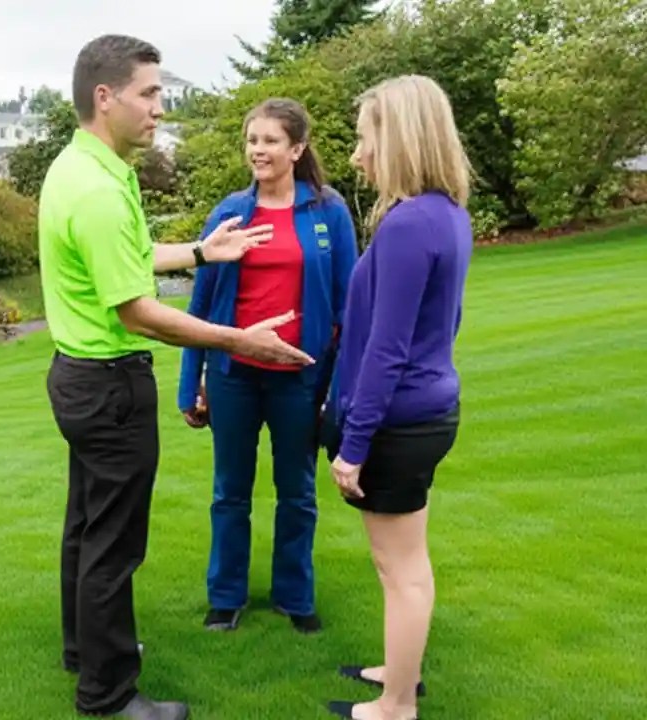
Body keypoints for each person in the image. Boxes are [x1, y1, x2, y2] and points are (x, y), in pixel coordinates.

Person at [39, 34, 315, 720]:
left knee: (86, 525)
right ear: (107, 97)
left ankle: (84, 649)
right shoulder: (97, 190)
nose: (160, 107)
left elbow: (130, 259)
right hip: (108, 386)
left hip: (77, 377)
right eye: (150, 93)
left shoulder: (88, 168)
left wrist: (201, 250)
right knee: (114, 542)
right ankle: (108, 692)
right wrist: (238, 339)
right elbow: (139, 312)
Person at [321, 74, 473, 720]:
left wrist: (352, 447)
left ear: (401, 137)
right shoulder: (446, 214)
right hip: (426, 410)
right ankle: (398, 672)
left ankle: (395, 706)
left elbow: (387, 349)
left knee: (400, 569)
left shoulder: (410, 224)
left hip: (398, 422)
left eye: (364, 139)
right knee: (407, 563)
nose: (357, 155)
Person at [176, 98, 358, 635]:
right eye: (252, 140)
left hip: (301, 376)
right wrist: (192, 384)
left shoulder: (328, 211)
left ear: (297, 149)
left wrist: (339, 388)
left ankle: (294, 596)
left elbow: (350, 309)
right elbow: (201, 307)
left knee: (297, 491)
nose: (258, 150)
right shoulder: (229, 212)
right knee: (229, 490)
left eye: (270, 140)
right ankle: (226, 597)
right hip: (233, 374)